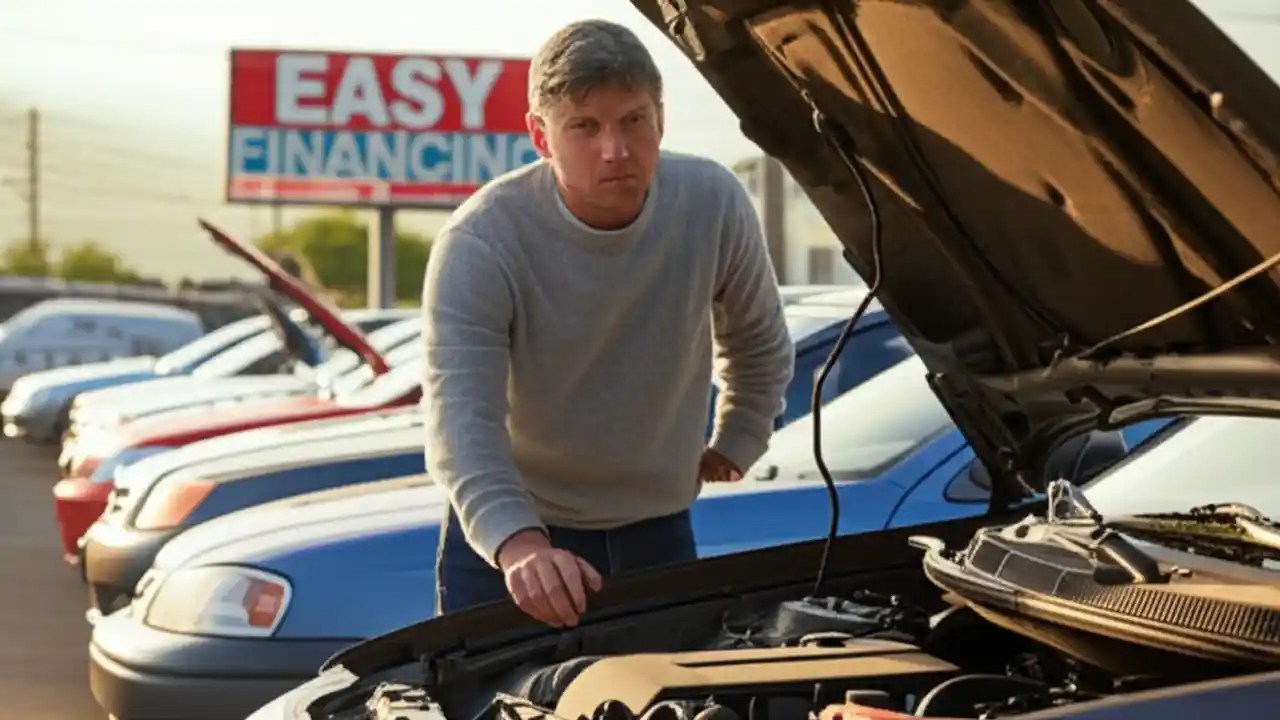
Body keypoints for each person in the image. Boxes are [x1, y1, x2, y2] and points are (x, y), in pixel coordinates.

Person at [421, 18, 795, 629]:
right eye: (585, 127)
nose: (615, 150)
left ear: (661, 119)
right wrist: (520, 545)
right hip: (515, 543)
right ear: (541, 137)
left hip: (658, 537)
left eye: (633, 120)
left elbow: (759, 340)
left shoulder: (713, 202)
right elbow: (461, 419)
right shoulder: (481, 240)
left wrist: (741, 435)